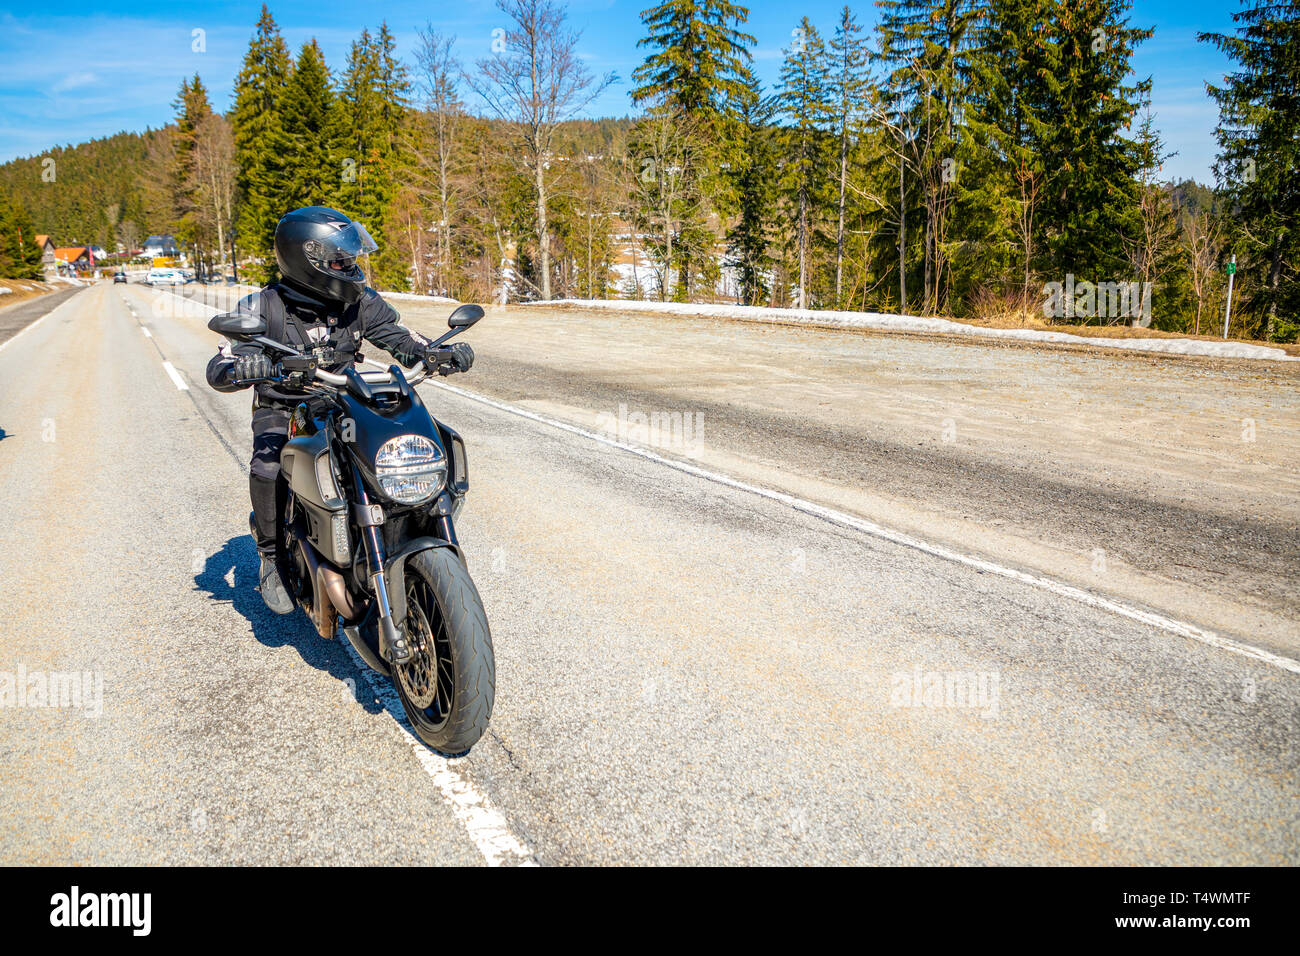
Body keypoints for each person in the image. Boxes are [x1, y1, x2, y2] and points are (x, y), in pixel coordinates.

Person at [205, 206, 474, 613]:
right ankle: (271, 556)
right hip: (285, 405)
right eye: (339, 260)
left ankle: (411, 527)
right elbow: (220, 365)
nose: (348, 267)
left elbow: (398, 337)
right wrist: (245, 365)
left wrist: (435, 352)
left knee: (409, 437)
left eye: (348, 259)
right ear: (306, 260)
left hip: (342, 398)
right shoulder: (263, 306)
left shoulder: (360, 302)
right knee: (269, 466)